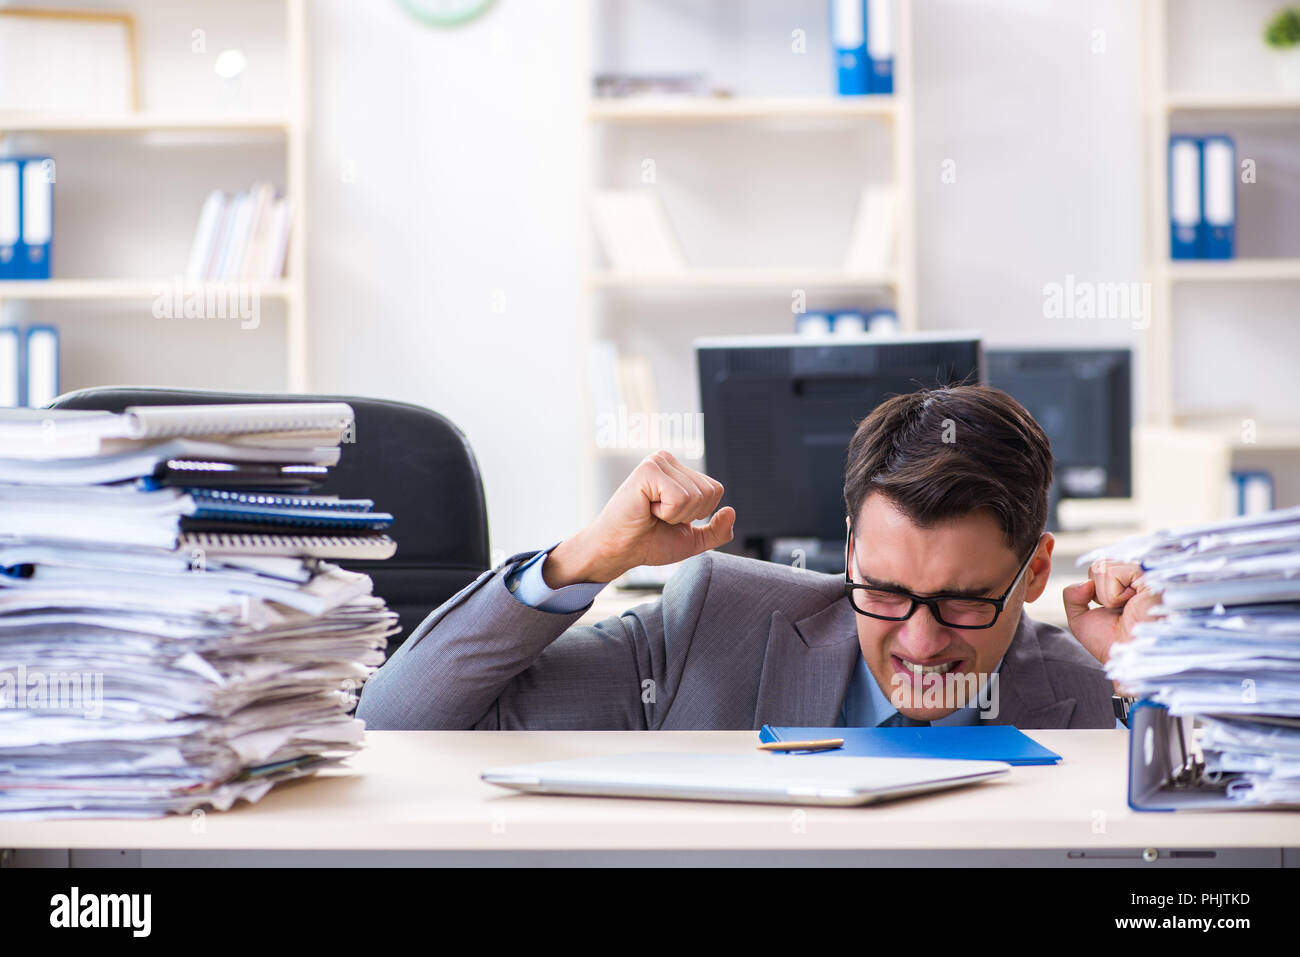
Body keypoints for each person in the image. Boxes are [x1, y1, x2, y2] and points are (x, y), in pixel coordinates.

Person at [357, 384, 1156, 731]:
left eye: (962, 601)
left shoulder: (1097, 692)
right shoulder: (720, 630)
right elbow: (395, 722)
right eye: (883, 590)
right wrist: (587, 557)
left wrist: (1150, 679)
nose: (919, 641)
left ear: (1036, 571)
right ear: (849, 550)